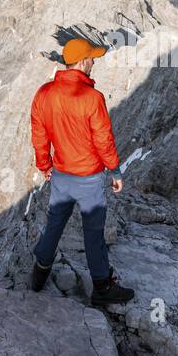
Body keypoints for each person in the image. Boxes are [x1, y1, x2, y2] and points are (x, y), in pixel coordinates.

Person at [27, 38, 136, 306]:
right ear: (83, 61)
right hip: (89, 178)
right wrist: (115, 171)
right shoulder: (92, 98)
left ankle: (38, 276)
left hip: (61, 176)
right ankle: (102, 287)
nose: (94, 62)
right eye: (92, 58)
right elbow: (103, 140)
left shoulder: (44, 94)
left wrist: (44, 166)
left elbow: (39, 135)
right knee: (93, 235)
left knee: (54, 226)